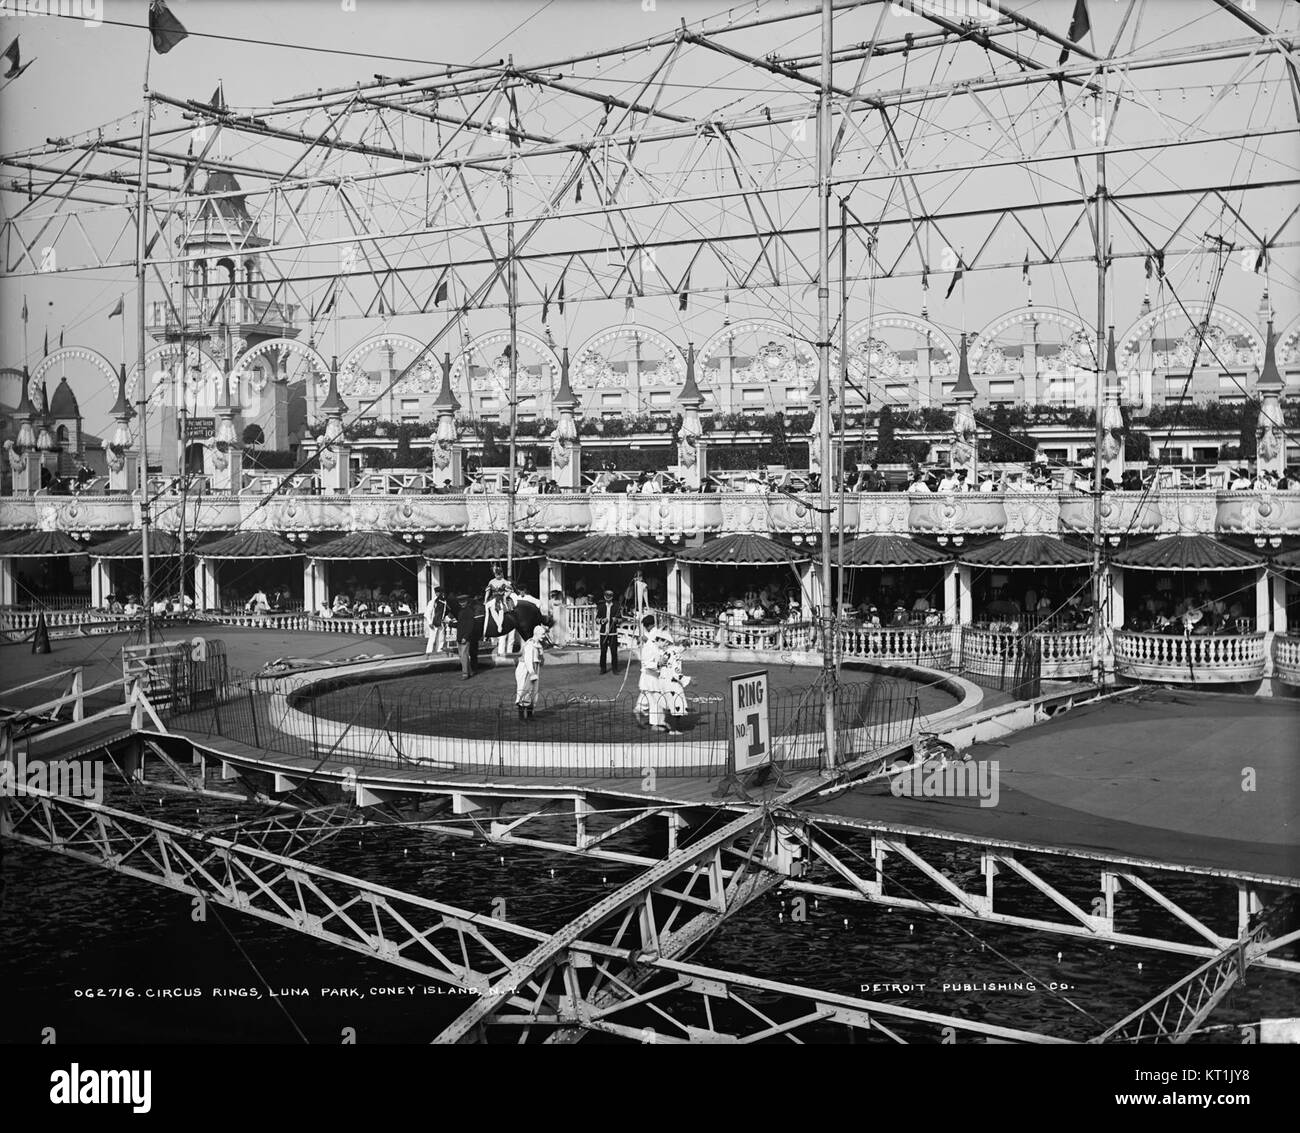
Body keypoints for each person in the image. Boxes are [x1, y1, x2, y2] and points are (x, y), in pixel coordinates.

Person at [636, 615, 669, 730]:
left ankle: (655, 720)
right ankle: (655, 724)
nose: (665, 643)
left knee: (655, 700)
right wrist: (659, 664)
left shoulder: (654, 644)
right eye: (663, 640)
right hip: (650, 677)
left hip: (653, 677)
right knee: (655, 701)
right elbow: (646, 663)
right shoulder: (650, 646)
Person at [514, 624, 547, 719]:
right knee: (525, 690)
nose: (544, 637)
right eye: (542, 634)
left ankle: (529, 714)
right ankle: (521, 715)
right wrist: (532, 672)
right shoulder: (530, 645)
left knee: (533, 691)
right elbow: (528, 660)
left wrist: (541, 653)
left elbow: (539, 660)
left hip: (534, 668)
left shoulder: (537, 645)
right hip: (526, 670)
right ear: (536, 634)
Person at [596, 588, 621, 674]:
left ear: (612, 597)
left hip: (613, 632)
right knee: (603, 651)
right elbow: (597, 619)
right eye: (607, 596)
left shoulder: (617, 606)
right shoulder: (601, 606)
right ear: (604, 596)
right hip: (603, 632)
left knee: (614, 651)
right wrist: (602, 621)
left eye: (610, 596)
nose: (608, 597)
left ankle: (615, 669)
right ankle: (603, 668)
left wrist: (616, 620)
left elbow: (620, 619)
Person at [425, 586, 452, 654]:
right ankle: (429, 652)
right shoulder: (432, 602)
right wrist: (430, 622)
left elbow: (445, 613)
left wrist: (447, 620)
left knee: (441, 638)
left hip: (441, 622)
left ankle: (439, 651)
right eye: (437, 592)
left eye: (440, 592)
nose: (439, 594)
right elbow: (428, 613)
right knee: (432, 639)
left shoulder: (444, 602)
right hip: (433, 623)